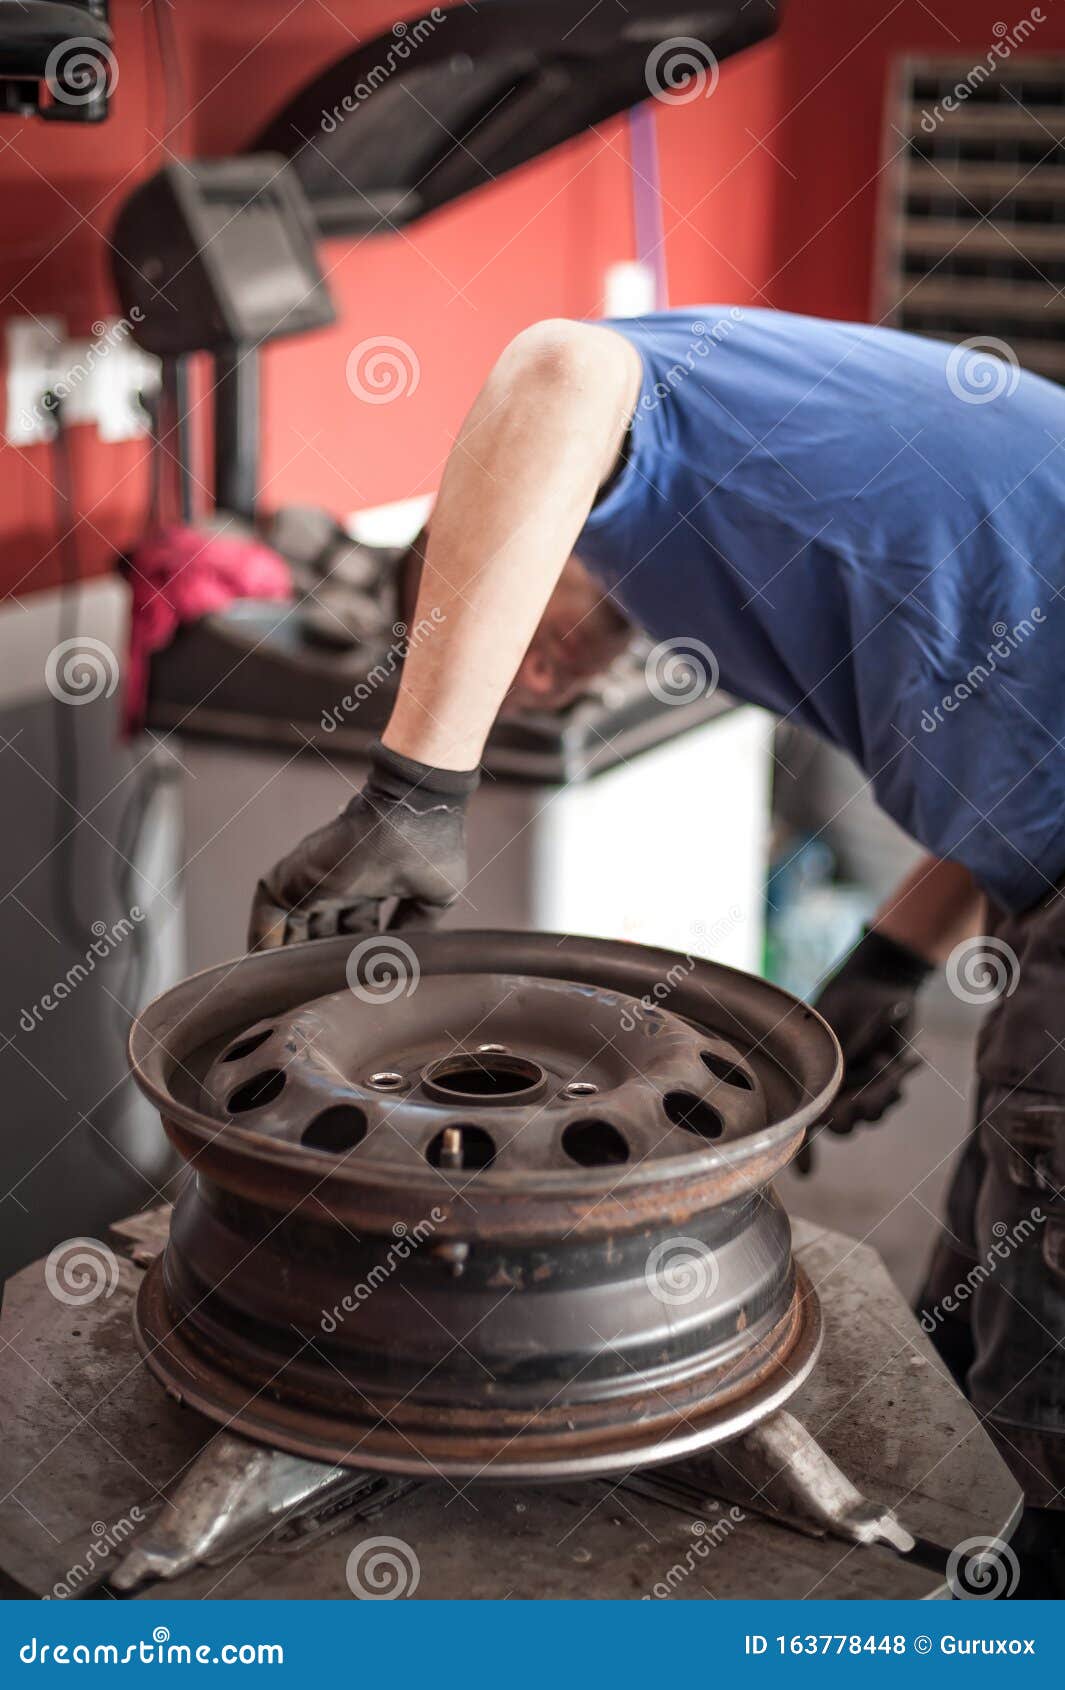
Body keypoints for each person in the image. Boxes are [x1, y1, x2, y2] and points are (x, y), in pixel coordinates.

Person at [248, 307, 1064, 1580]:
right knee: (969, 1338)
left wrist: (412, 791)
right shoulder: (728, 564)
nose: (528, 682)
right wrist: (893, 956)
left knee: (1041, 1417)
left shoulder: (653, 421)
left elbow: (557, 364)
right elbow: (1012, 740)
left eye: (506, 630)